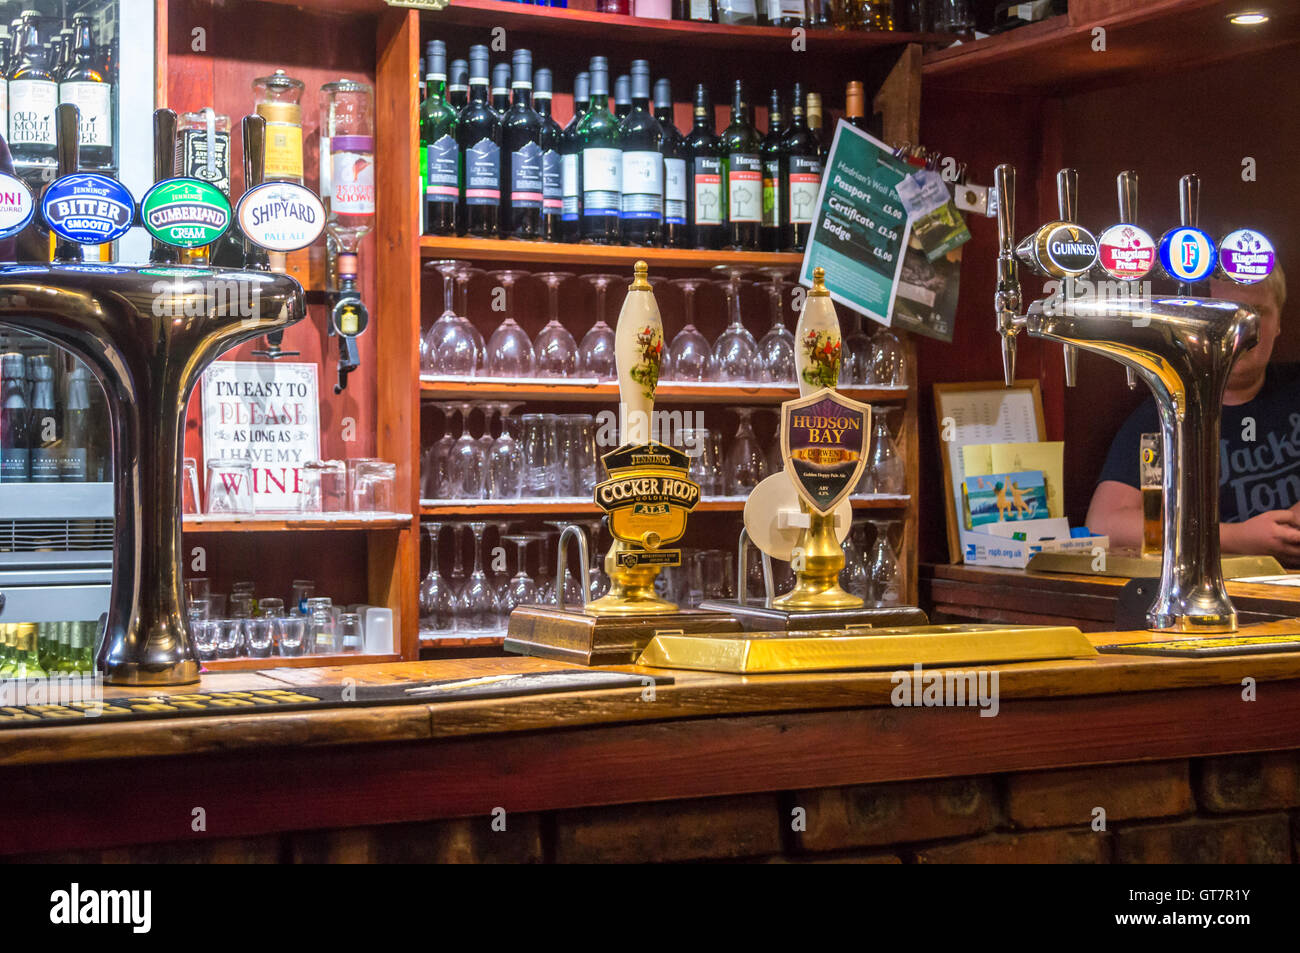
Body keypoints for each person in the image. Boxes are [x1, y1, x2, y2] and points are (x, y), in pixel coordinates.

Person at [1086, 264, 1299, 562]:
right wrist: (1237, 538)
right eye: (1224, 313)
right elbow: (1105, 524)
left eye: (1256, 312)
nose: (1240, 329)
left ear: (1278, 324)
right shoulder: (1164, 413)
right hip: (1223, 585)